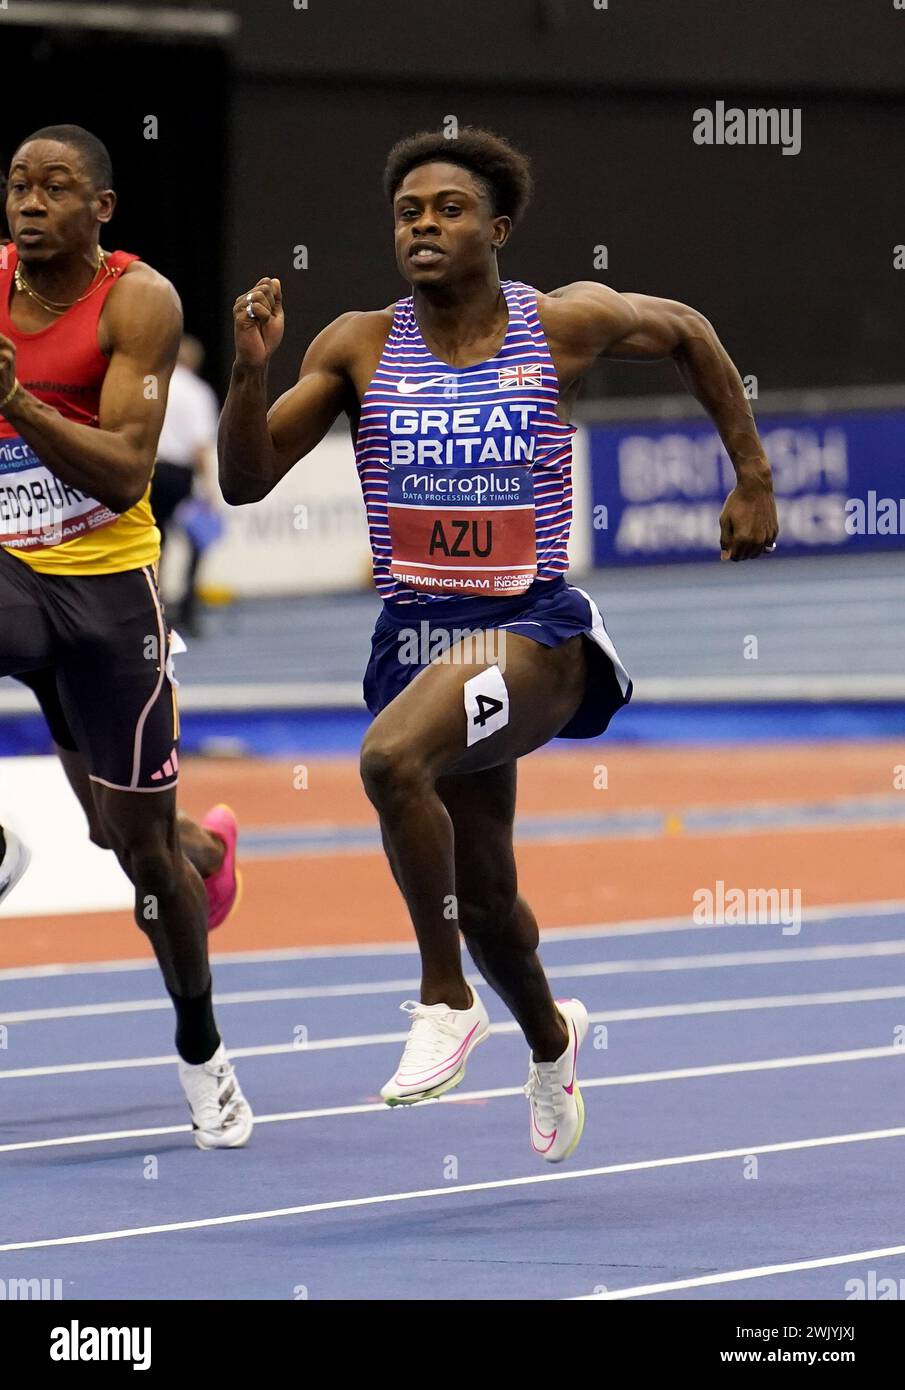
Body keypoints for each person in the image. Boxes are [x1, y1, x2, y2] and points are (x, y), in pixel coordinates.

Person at [219, 127, 778, 1163]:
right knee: (487, 902)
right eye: (407, 213)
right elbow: (246, 478)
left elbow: (691, 329)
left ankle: (440, 997)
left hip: (532, 632)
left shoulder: (558, 322)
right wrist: (250, 372)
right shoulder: (354, 343)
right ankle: (548, 1039)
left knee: (388, 759)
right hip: (416, 640)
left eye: (448, 209)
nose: (423, 225)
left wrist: (749, 475)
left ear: (497, 229)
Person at [0, 125, 251, 1147]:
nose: (29, 201)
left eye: (55, 187)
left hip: (107, 597)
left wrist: (14, 396)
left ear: (100, 208)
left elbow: (123, 472)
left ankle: (203, 1051)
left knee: (135, 851)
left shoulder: (138, 301)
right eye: (16, 183)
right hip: (10, 571)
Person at [150, 334, 220, 636]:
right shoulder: (197, 392)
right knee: (196, 540)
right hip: (179, 474)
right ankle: (188, 608)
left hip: (151, 471)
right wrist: (207, 487)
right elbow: (200, 446)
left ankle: (154, 605)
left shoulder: (153, 385)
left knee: (154, 540)